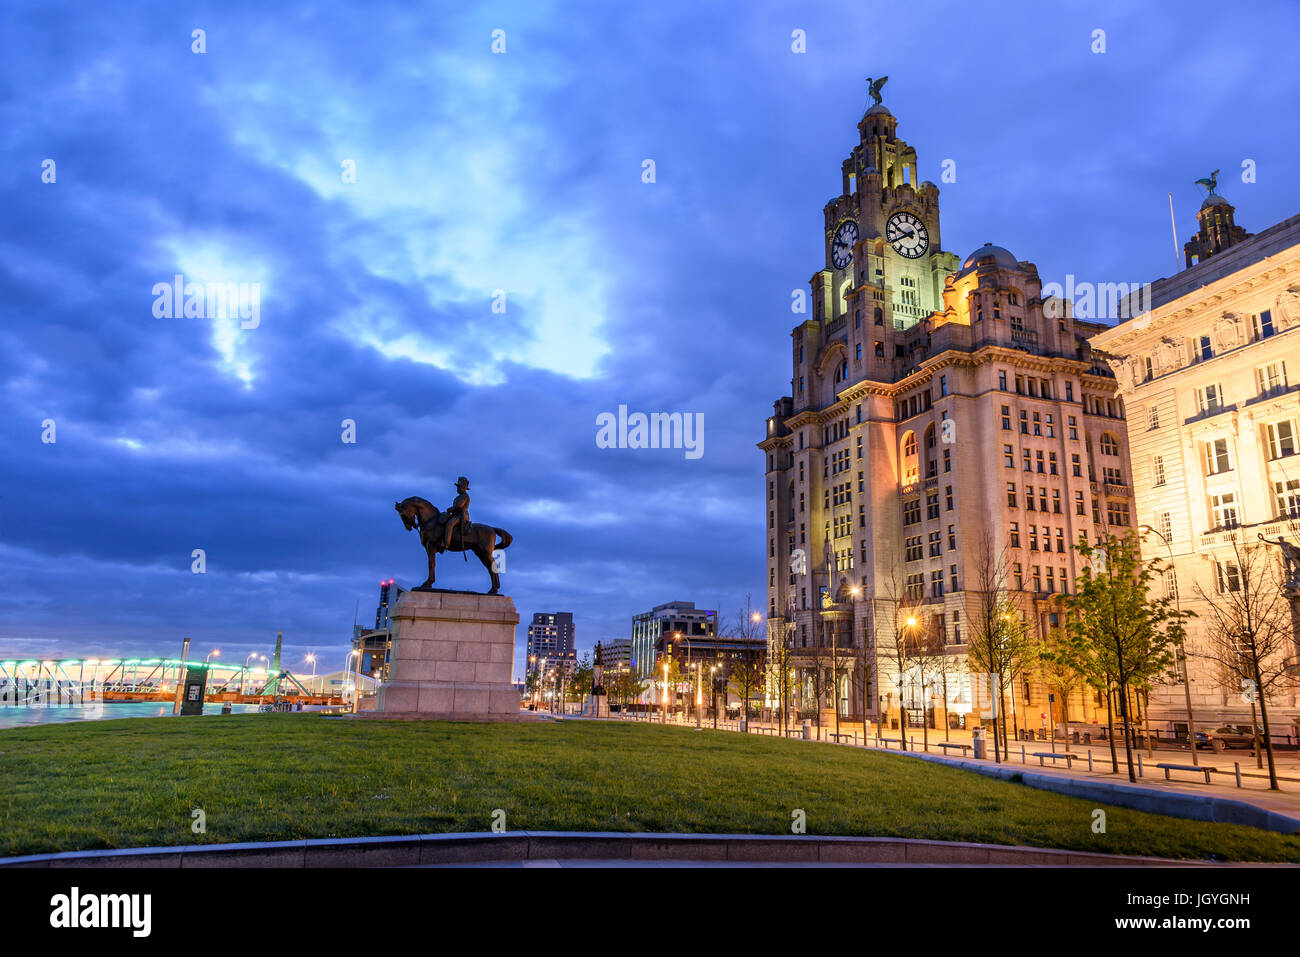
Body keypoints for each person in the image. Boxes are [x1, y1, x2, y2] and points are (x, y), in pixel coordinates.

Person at [442, 476, 471, 551]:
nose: (457, 488)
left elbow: (459, 506)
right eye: (457, 487)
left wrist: (451, 509)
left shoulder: (465, 496)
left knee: (450, 523)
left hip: (462, 515)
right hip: (456, 514)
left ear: (464, 487)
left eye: (459, 487)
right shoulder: (458, 497)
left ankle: (446, 543)